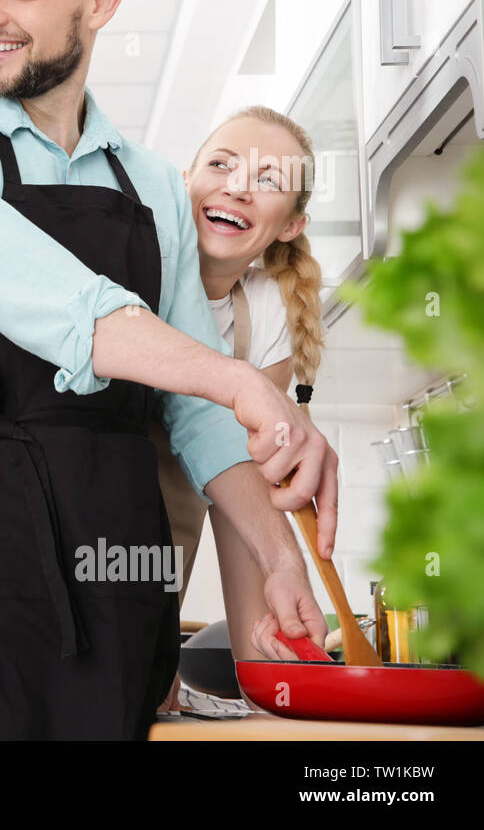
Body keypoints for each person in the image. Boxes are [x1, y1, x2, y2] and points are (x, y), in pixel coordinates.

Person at [0, 0, 339, 740]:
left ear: (102, 0)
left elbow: (195, 414)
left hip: (117, 565)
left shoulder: (154, 183)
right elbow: (61, 306)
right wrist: (241, 378)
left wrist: (281, 560)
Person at [157, 105, 325, 697]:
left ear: (290, 226)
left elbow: (242, 503)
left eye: (268, 180)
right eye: (221, 164)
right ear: (184, 181)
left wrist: (272, 681)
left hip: (149, 593)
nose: (237, 186)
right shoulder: (120, 275)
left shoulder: (265, 317)